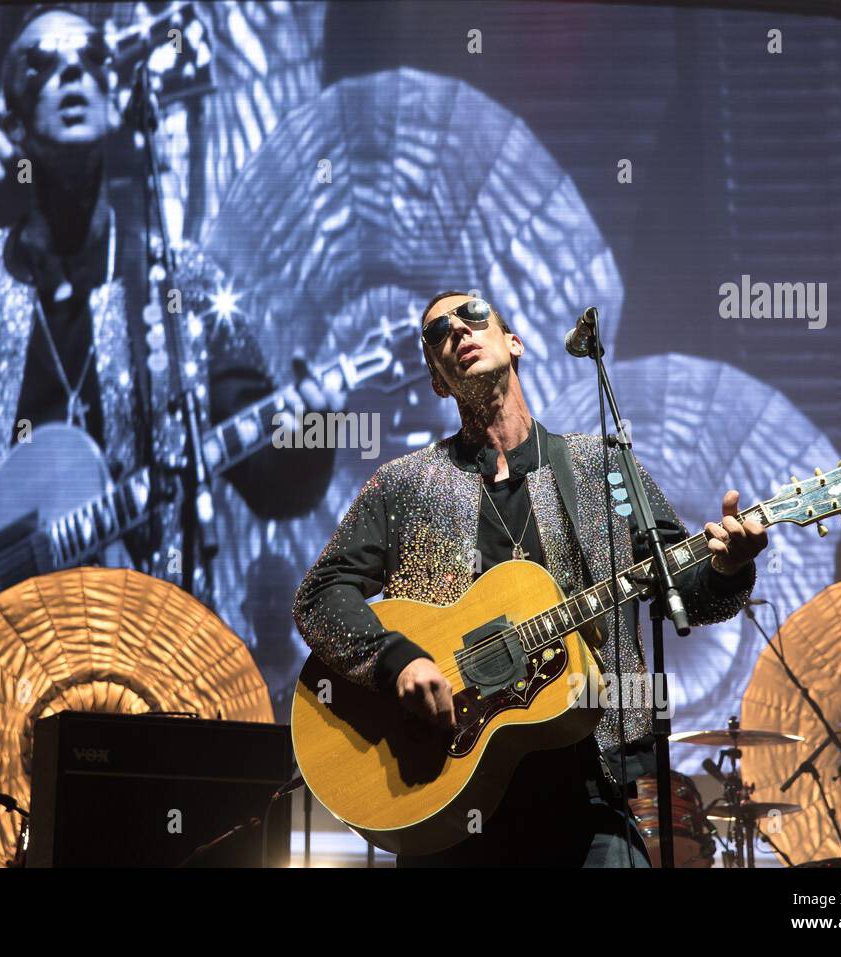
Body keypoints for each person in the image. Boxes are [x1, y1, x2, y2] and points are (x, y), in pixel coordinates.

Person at [0, 9, 338, 699]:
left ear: (118, 98)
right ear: (7, 122)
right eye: (40, 64)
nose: (70, 71)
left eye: (90, 58)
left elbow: (275, 481)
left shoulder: (183, 287)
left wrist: (313, 429)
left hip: (128, 683)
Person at [292, 291, 768, 866]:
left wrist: (728, 565)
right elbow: (320, 594)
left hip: (588, 783)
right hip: (446, 786)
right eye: (438, 332)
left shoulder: (601, 465)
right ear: (438, 381)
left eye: (472, 316)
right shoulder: (405, 485)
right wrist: (399, 660)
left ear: (513, 344)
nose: (457, 332)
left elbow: (679, 589)